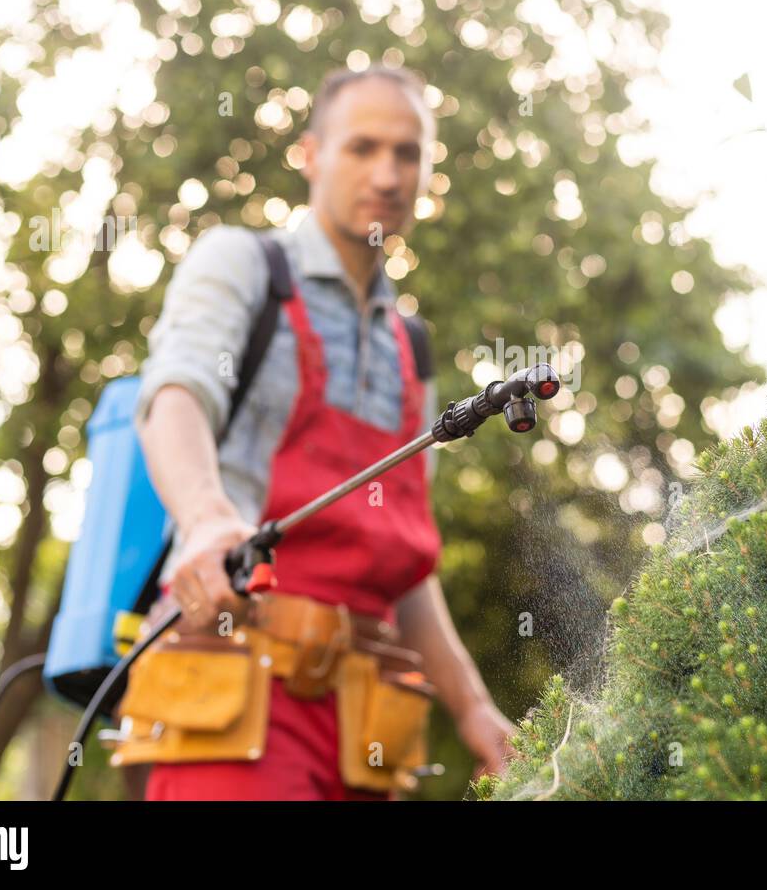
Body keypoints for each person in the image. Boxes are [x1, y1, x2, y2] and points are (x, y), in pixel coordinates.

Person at [131, 65, 516, 800]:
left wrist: (471, 708)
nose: (388, 173)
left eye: (409, 154)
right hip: (236, 695)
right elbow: (174, 397)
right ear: (311, 155)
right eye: (362, 147)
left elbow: (409, 566)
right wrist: (210, 522)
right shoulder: (245, 266)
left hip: (368, 730)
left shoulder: (415, 350)